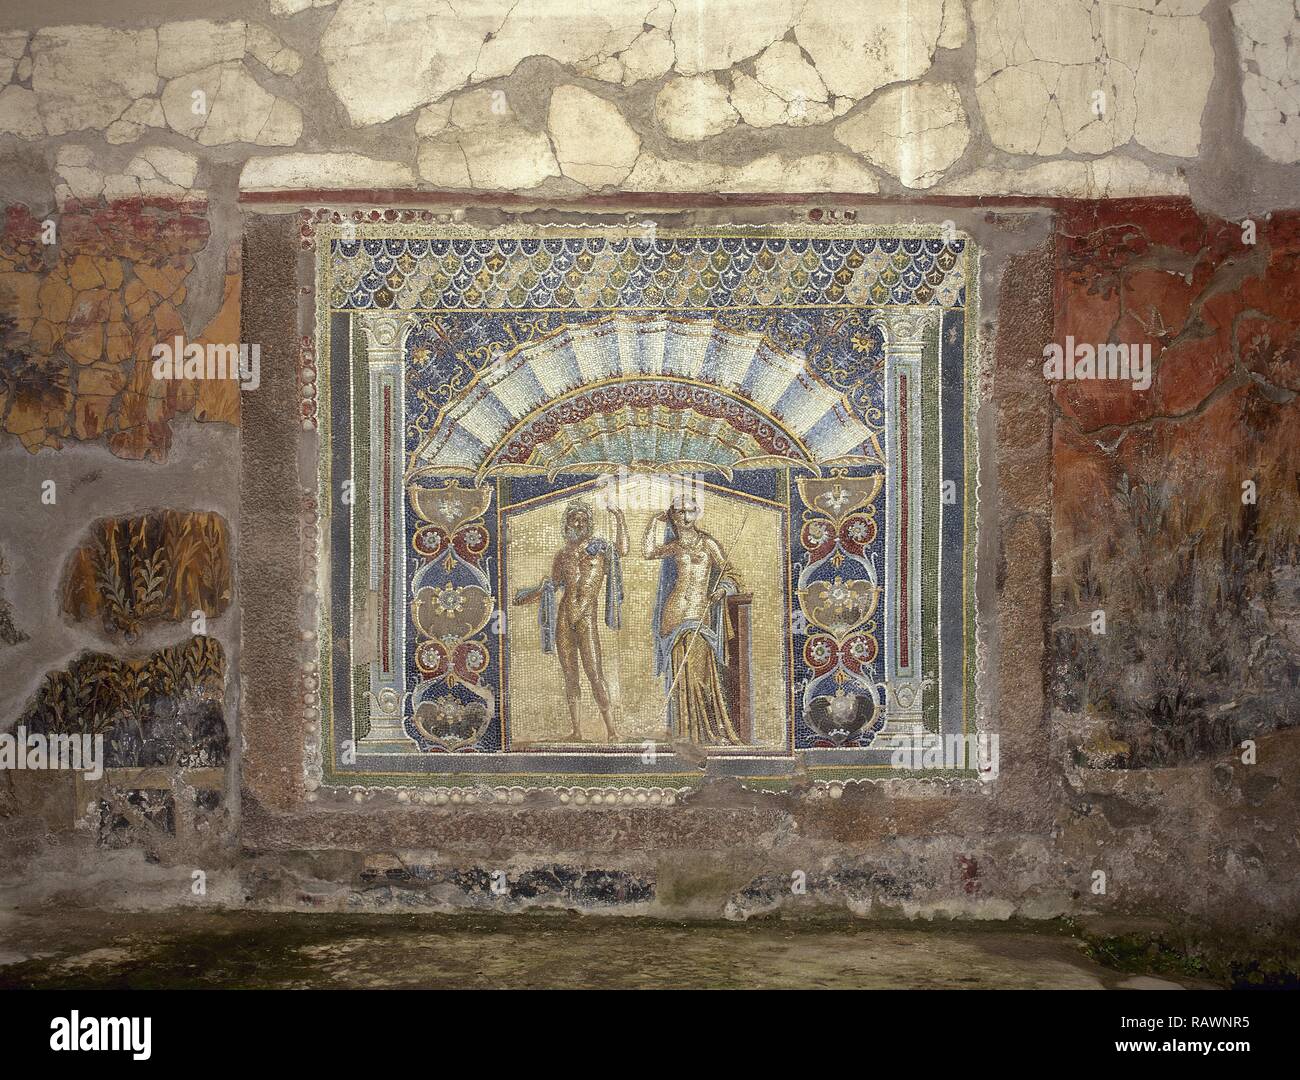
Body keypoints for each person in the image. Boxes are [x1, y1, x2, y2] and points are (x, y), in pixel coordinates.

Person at [514, 498, 626, 741]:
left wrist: (618, 517)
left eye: (583, 518)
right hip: (564, 618)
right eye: (574, 518)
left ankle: (612, 731)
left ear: (589, 523)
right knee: (570, 675)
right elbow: (552, 586)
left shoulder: (602, 549)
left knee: (595, 673)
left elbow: (623, 550)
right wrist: (528, 596)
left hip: (586, 617)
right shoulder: (563, 555)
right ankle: (576, 731)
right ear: (567, 523)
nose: (578, 522)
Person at [643, 498, 742, 745]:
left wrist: (723, 590)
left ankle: (707, 730)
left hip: (699, 612)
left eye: (690, 511)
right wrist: (653, 522)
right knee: (679, 672)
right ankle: (685, 731)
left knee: (699, 674)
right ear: (673, 516)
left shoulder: (708, 543)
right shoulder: (674, 546)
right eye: (680, 512)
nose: (686, 516)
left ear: (697, 513)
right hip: (674, 613)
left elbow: (732, 573)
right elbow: (648, 552)